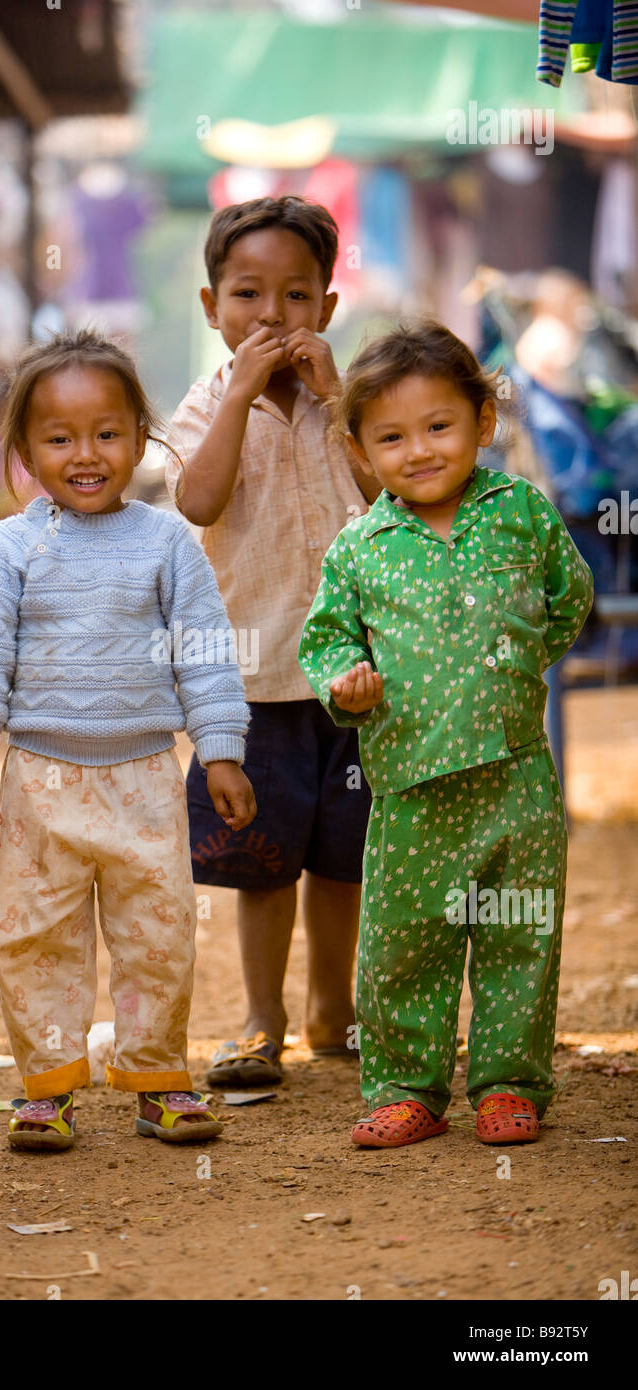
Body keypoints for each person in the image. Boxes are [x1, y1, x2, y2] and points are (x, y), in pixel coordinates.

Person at [0, 330, 256, 1150]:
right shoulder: (11, 548)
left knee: (158, 932)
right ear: (24, 450)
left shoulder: (165, 544)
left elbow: (205, 647)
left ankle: (157, 1079)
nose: (86, 455)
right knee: (36, 936)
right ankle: (46, 1090)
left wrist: (220, 747)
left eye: (107, 434)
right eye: (59, 438)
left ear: (140, 438)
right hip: (40, 781)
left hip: (148, 778)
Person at [299, 320, 594, 1148]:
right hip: (409, 790)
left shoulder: (521, 513)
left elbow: (569, 599)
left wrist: (515, 667)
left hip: (516, 780)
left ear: (482, 424)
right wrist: (346, 686)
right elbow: (327, 643)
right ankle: (406, 1088)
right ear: (361, 450)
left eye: (439, 426)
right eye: (391, 437)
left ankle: (507, 1085)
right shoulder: (361, 548)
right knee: (404, 947)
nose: (419, 450)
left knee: (517, 936)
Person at [166, 195, 375, 1088]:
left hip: (357, 674)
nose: (273, 317)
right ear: (212, 308)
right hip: (249, 680)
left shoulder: (358, 402)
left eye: (296, 296)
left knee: (346, 855)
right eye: (248, 295)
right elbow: (197, 502)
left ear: (328, 308)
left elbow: (391, 494)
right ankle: (262, 1019)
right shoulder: (206, 403)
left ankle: (338, 1011)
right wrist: (241, 397)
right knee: (261, 862)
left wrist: (340, 401)